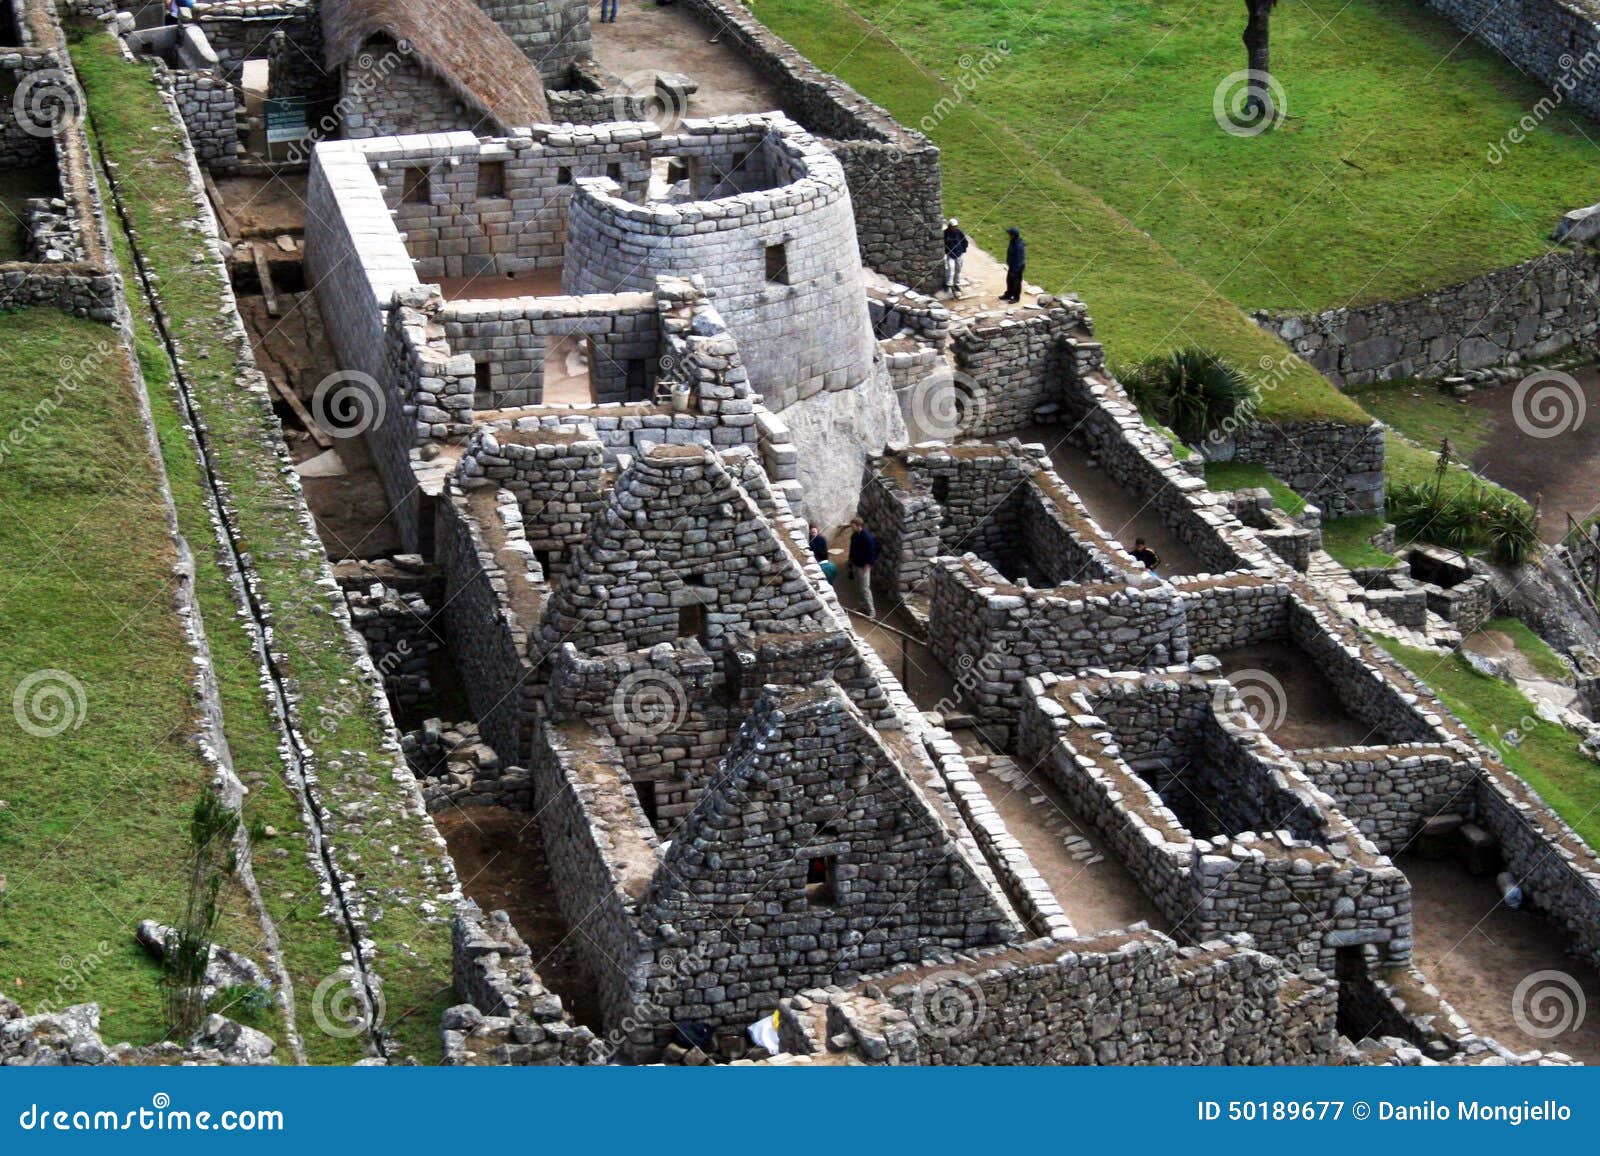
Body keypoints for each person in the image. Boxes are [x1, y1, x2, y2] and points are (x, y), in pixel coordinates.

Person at [847, 517, 879, 618]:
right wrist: (850, 560)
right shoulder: (854, 536)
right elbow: (852, 549)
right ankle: (862, 606)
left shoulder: (867, 537)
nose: (852, 528)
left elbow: (872, 552)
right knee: (858, 586)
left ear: (858, 526)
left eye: (853, 526)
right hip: (856, 564)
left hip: (863, 567)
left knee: (865, 588)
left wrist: (868, 564)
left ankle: (871, 610)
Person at [942, 218, 968, 297]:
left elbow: (964, 241)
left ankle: (956, 284)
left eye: (956, 226)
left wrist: (963, 250)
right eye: (953, 226)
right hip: (950, 254)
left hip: (958, 254)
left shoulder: (959, 232)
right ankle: (948, 284)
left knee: (958, 269)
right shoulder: (945, 233)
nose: (954, 228)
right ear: (949, 226)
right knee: (951, 268)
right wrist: (946, 251)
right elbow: (943, 243)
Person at [1001, 226, 1026, 303]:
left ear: (1013, 235)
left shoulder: (1019, 246)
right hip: (1012, 265)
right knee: (1009, 280)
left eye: (1009, 234)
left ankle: (1016, 298)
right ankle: (1008, 294)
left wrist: (1014, 271)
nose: (1008, 235)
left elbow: (1019, 259)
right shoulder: (1013, 241)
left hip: (1017, 267)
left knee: (1016, 283)